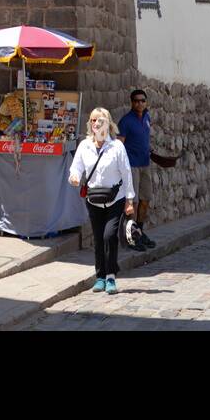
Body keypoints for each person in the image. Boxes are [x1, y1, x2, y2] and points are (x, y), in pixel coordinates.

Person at [68, 107, 134, 294]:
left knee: (109, 236)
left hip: (115, 199)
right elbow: (76, 168)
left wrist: (129, 199)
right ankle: (100, 277)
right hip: (94, 199)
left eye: (100, 120)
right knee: (98, 238)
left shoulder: (116, 147)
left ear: (108, 123)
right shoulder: (84, 145)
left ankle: (111, 276)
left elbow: (126, 173)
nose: (95, 123)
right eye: (93, 120)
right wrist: (74, 177)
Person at [116, 89, 157, 249]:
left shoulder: (147, 117)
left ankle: (139, 231)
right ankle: (131, 236)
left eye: (142, 100)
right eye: (136, 101)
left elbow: (144, 138)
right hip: (131, 166)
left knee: (145, 200)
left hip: (145, 164)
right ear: (132, 103)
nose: (140, 103)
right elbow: (119, 145)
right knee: (132, 202)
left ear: (146, 102)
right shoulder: (126, 121)